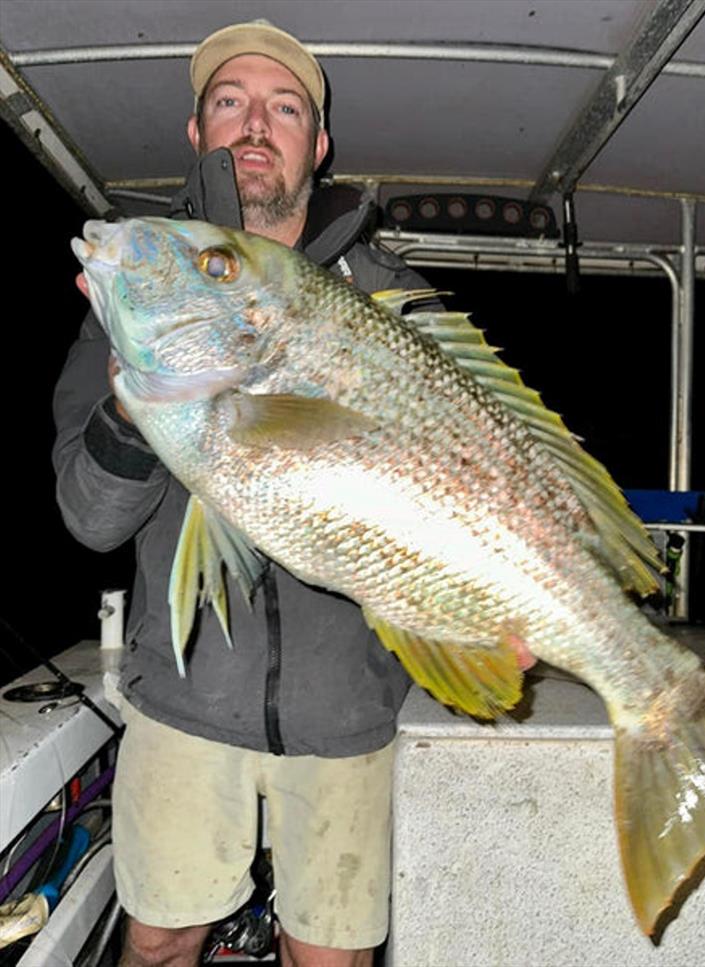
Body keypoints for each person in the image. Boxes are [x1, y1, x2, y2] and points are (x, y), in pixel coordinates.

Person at [53, 20, 435, 967]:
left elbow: (453, 485)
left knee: (330, 958)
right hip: (185, 696)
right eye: (230, 102)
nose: (255, 124)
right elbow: (90, 519)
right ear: (198, 133)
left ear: (319, 142)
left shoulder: (392, 301)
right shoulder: (151, 282)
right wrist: (135, 404)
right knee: (157, 942)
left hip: (346, 710)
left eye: (284, 108)